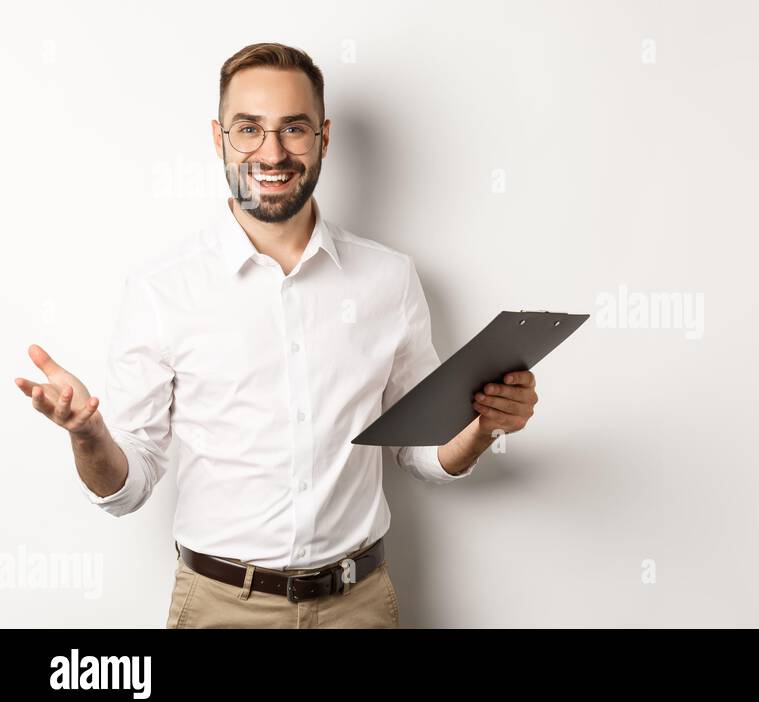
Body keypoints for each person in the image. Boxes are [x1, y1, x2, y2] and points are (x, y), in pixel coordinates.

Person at [13, 42, 539, 628]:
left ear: (323, 137)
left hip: (359, 607)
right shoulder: (162, 289)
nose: (272, 151)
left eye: (294, 128)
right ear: (219, 138)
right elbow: (128, 486)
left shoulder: (390, 279)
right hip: (218, 608)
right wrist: (88, 436)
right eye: (249, 129)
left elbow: (418, 451)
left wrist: (483, 427)